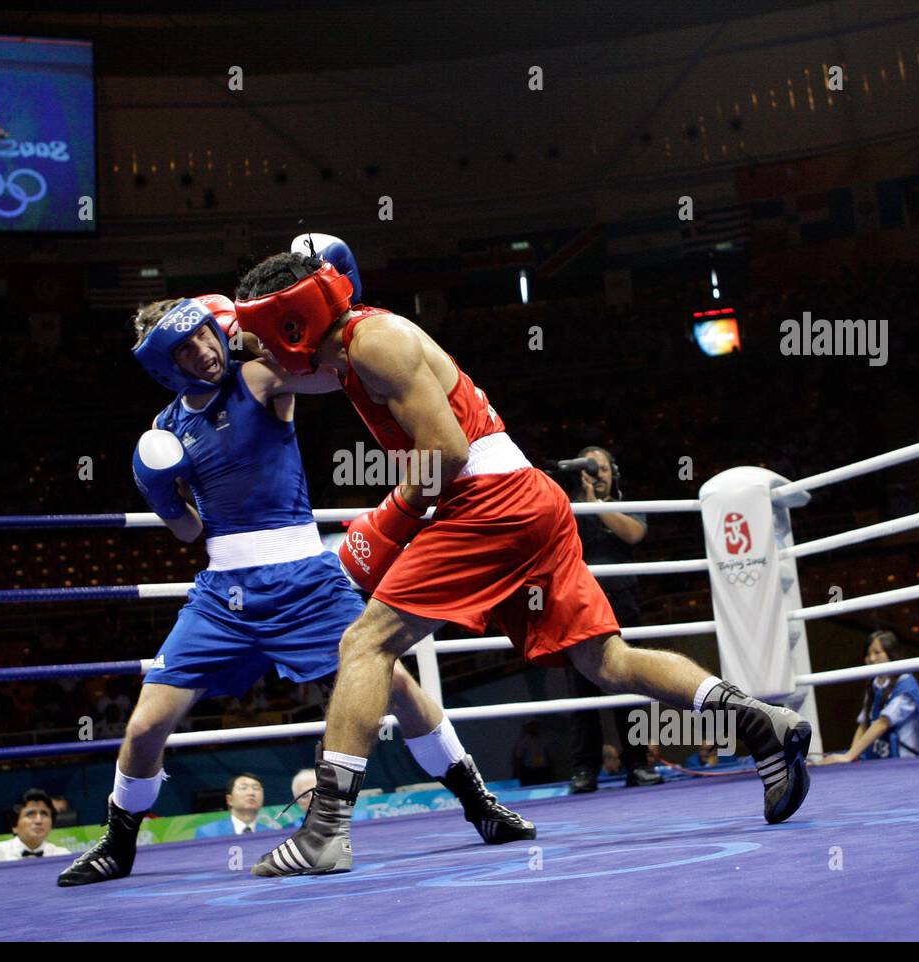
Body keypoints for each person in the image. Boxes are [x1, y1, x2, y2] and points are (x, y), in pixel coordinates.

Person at [235, 241, 811, 877]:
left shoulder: (376, 343)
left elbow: (446, 452)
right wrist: (224, 339)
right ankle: (760, 721)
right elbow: (296, 375)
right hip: (523, 495)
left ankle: (325, 831)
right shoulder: (351, 350)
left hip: (488, 499)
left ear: (293, 323)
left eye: (265, 334)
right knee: (605, 661)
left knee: (366, 644)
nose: (262, 349)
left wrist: (386, 525)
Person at [57, 294, 532, 888]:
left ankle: (478, 803)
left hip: (306, 581)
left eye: (208, 334)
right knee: (148, 724)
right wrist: (161, 497)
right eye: (188, 347)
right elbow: (188, 531)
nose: (206, 350)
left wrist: (291, 330)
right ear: (165, 364)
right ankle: (117, 845)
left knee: (399, 690)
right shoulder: (165, 430)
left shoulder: (259, 376)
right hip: (223, 594)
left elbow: (334, 373)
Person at [563, 444, 663, 792]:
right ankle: (584, 771)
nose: (597, 474)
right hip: (577, 606)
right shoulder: (567, 508)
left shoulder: (624, 505)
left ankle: (637, 764)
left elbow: (633, 534)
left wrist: (597, 505)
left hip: (623, 604)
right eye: (590, 468)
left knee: (629, 683)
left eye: (603, 468)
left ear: (614, 472)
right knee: (581, 693)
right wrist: (583, 504)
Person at [818, 631, 919, 763]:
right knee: (822, 763)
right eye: (868, 654)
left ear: (891, 654)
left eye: (877, 653)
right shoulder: (874, 684)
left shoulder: (907, 686)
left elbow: (882, 723)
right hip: (878, 756)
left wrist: (849, 756)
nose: (871, 659)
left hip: (906, 760)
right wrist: (853, 754)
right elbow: (864, 723)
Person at [0, 789, 72, 864]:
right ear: (14, 826)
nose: (39, 820)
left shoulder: (64, 857)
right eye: (30, 814)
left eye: (44, 814)